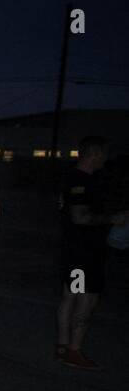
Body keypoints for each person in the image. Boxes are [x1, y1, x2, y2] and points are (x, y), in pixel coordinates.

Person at [57, 136, 123, 369]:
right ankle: (73, 349)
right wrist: (111, 219)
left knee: (71, 298)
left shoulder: (75, 178)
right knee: (84, 300)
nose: (105, 158)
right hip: (83, 254)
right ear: (94, 154)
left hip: (77, 252)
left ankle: (65, 346)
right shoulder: (81, 182)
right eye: (103, 153)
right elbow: (80, 216)